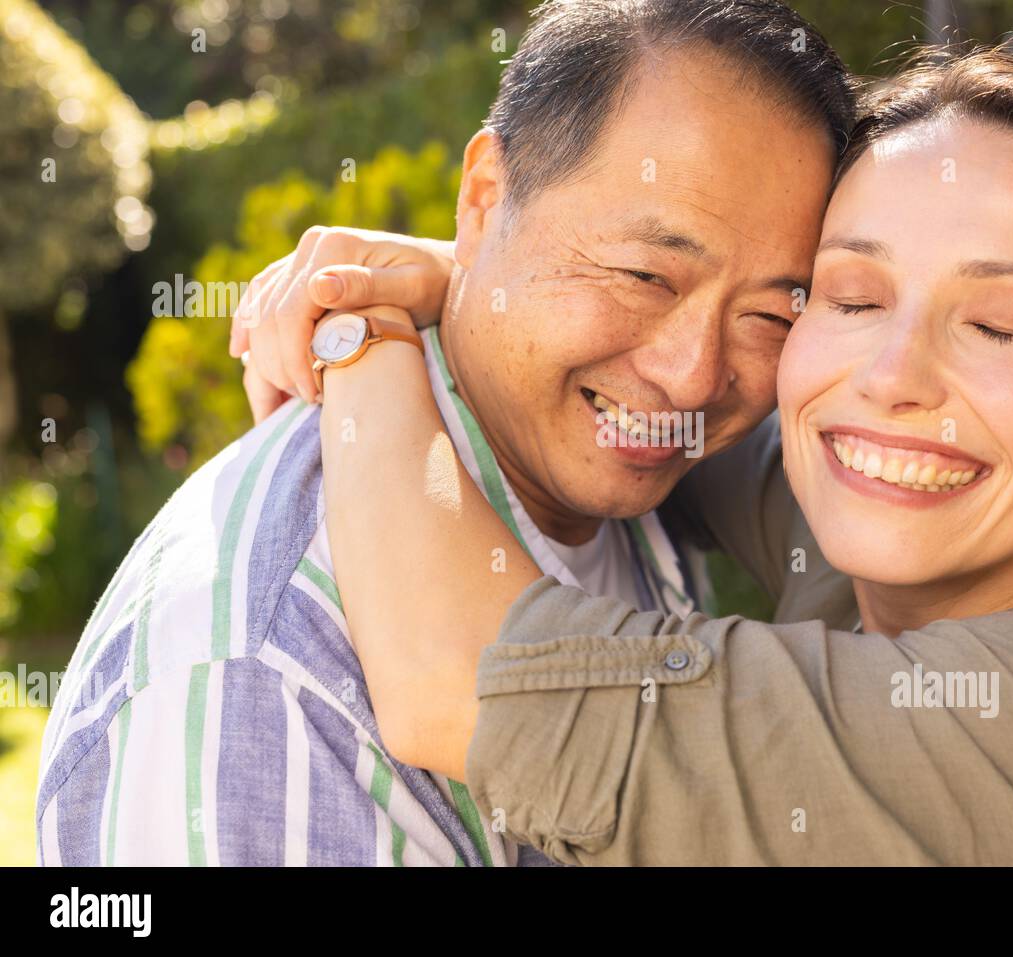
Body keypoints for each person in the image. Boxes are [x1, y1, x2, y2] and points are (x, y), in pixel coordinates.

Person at [288, 48, 1013, 864]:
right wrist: (487, 275)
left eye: (996, 324)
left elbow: (453, 676)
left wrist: (358, 329)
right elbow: (657, 400)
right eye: (847, 300)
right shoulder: (856, 534)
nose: (891, 378)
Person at [35, 0, 857, 866]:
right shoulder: (269, 673)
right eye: (643, 273)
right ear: (484, 196)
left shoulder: (636, 478)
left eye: (772, 312)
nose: (692, 375)